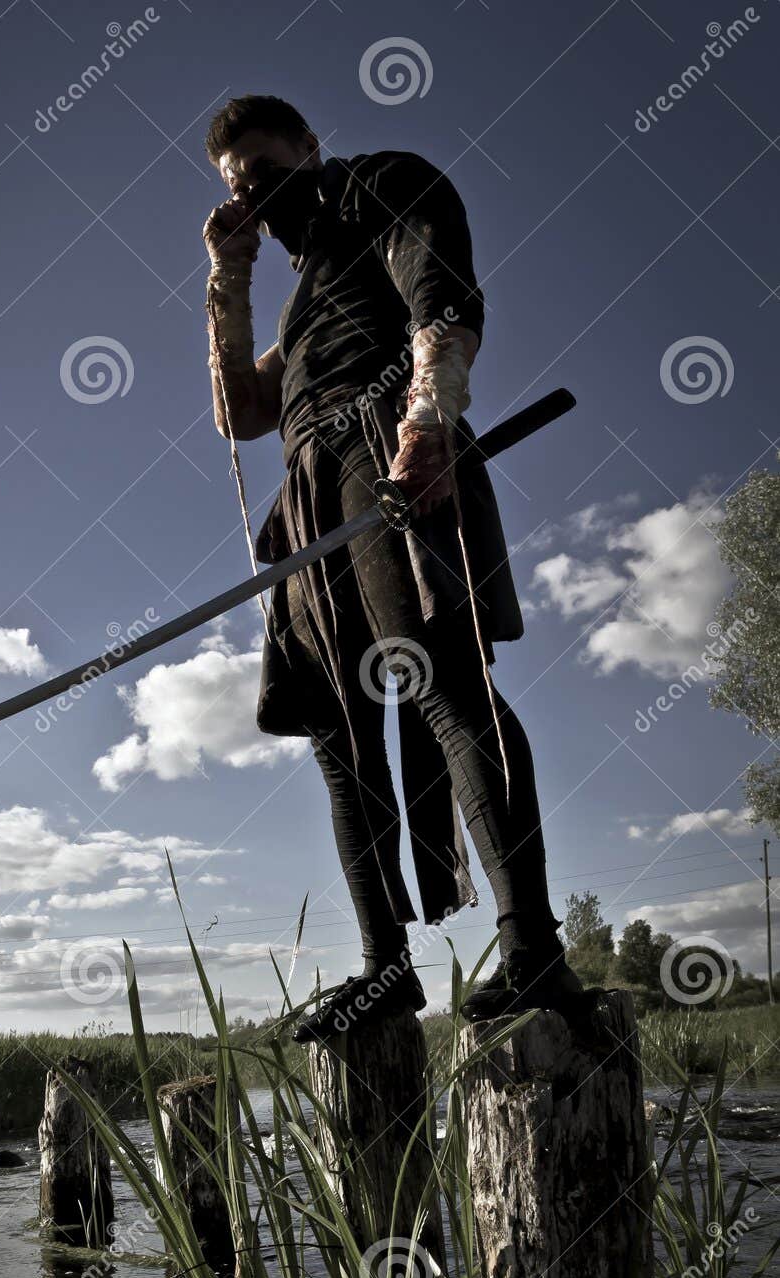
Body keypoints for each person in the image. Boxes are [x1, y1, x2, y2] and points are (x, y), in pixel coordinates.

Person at [202, 95, 583, 1039]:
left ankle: (533, 949)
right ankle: (383, 973)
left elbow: (439, 301)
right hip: (305, 496)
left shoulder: (381, 182)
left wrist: (424, 425)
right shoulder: (297, 295)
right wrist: (228, 275)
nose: (253, 191)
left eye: (263, 167)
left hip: (386, 447)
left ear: (309, 146)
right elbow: (241, 411)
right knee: (337, 740)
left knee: (445, 688)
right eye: (236, 185)